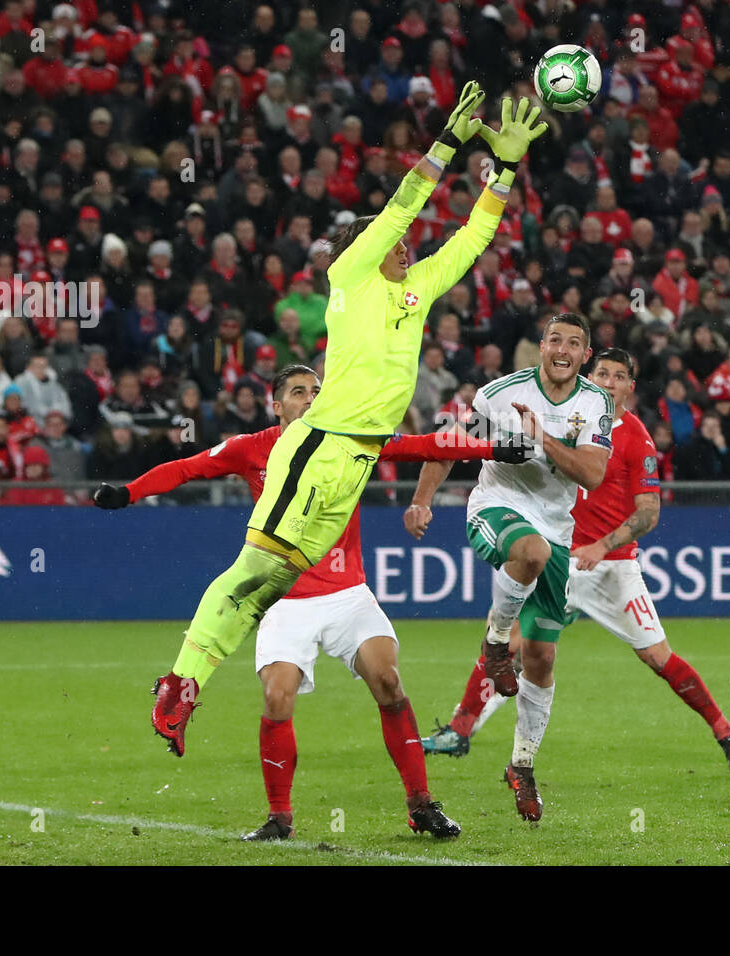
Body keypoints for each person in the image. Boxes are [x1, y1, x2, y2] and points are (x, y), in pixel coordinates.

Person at [144, 85, 540, 767]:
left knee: (272, 581)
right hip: (318, 445)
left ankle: (187, 687)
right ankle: (179, 683)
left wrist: (503, 168)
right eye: (396, 239)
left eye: (409, 243)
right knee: (255, 567)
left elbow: (474, 238)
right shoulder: (350, 274)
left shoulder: (415, 292)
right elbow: (402, 205)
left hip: (357, 459)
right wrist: (447, 143)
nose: (408, 244)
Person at [94, 364, 528, 840]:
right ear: (276, 405)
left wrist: (494, 448)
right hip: (285, 599)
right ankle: (279, 818)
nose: (310, 398)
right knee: (277, 698)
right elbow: (186, 468)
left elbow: (425, 444)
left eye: (316, 391)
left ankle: (421, 804)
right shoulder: (251, 448)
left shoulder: (352, 436)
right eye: (298, 391)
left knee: (388, 681)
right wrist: (128, 492)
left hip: (347, 594)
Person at [422, 349, 730, 791]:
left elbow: (648, 512)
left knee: (657, 656)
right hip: (560, 556)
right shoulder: (563, 418)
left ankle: (725, 732)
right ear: (588, 376)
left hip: (611, 568)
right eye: (602, 374)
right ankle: (459, 731)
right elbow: (486, 439)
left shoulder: (636, 438)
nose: (609, 382)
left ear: (630, 386)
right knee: (509, 645)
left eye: (619, 376)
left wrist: (603, 545)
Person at [404, 313, 613, 821]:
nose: (562, 350)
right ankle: (496, 642)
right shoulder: (500, 393)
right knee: (530, 553)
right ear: (541, 346)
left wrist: (542, 438)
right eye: (555, 340)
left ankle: (521, 765)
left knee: (540, 657)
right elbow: (448, 443)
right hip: (497, 507)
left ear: (585, 355)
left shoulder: (594, 403)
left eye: (574, 344)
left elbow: (592, 474)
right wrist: (421, 501)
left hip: (557, 528)